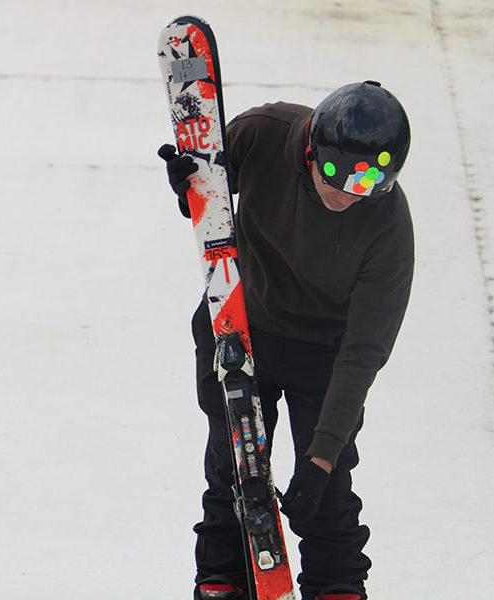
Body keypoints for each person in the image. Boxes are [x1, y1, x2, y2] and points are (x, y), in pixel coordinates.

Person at [158, 81, 413, 600]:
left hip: (324, 351)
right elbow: (209, 200)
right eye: (337, 178)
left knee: (329, 492)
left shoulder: (387, 224)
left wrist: (319, 460)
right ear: (312, 150)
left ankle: (336, 586)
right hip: (237, 323)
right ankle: (221, 580)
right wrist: (186, 186)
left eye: (364, 186)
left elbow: (365, 350)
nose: (345, 195)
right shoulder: (262, 132)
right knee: (233, 468)